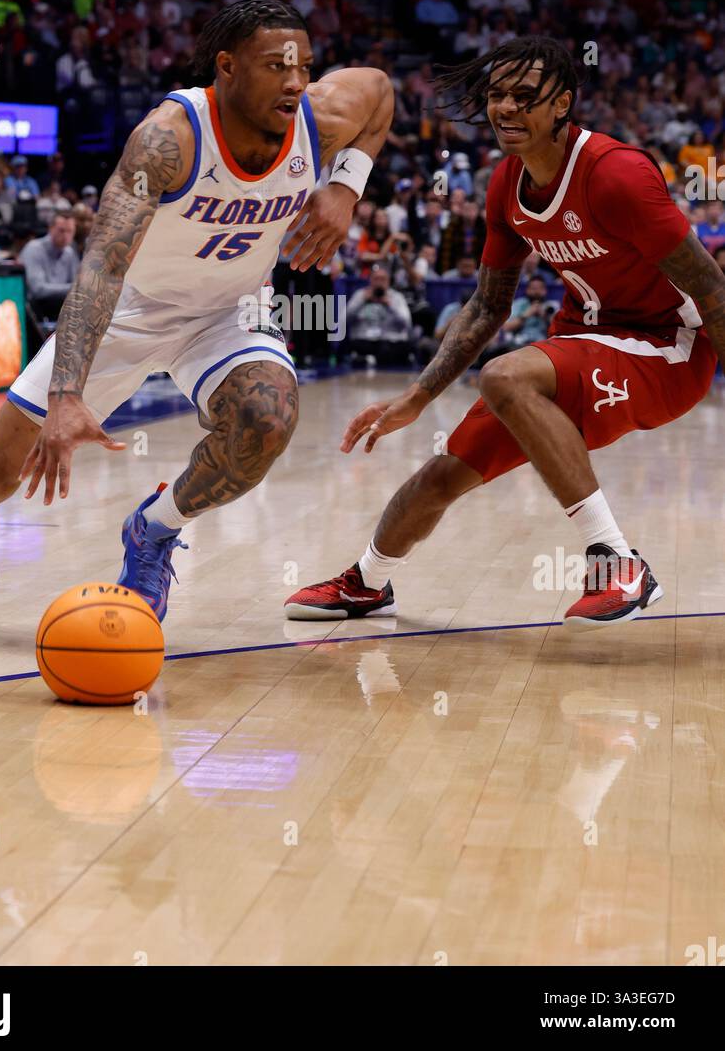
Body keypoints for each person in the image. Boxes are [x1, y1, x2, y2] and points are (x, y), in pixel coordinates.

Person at [0, 0, 392, 630]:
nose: (296, 81)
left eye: (304, 66)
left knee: (267, 418)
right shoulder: (169, 139)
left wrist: (345, 186)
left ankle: (154, 530)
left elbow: (381, 91)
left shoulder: (320, 120)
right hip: (128, 308)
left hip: (229, 310)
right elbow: (101, 268)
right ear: (226, 67)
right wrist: (65, 396)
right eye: (276, 66)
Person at [285, 35, 725, 629]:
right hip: (586, 337)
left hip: (669, 348)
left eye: (524, 95)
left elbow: (712, 288)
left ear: (562, 104)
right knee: (443, 473)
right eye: (497, 95)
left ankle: (616, 560)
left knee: (505, 376)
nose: (506, 108)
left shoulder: (617, 175)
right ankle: (368, 583)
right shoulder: (504, 184)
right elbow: (488, 305)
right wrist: (418, 397)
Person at [19, 211, 79, 323]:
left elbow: (77, 284)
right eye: (61, 230)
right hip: (34, 311)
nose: (66, 235)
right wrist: (74, 288)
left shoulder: (69, 253)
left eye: (70, 231)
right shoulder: (34, 249)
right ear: (51, 228)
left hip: (59, 308)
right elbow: (37, 290)